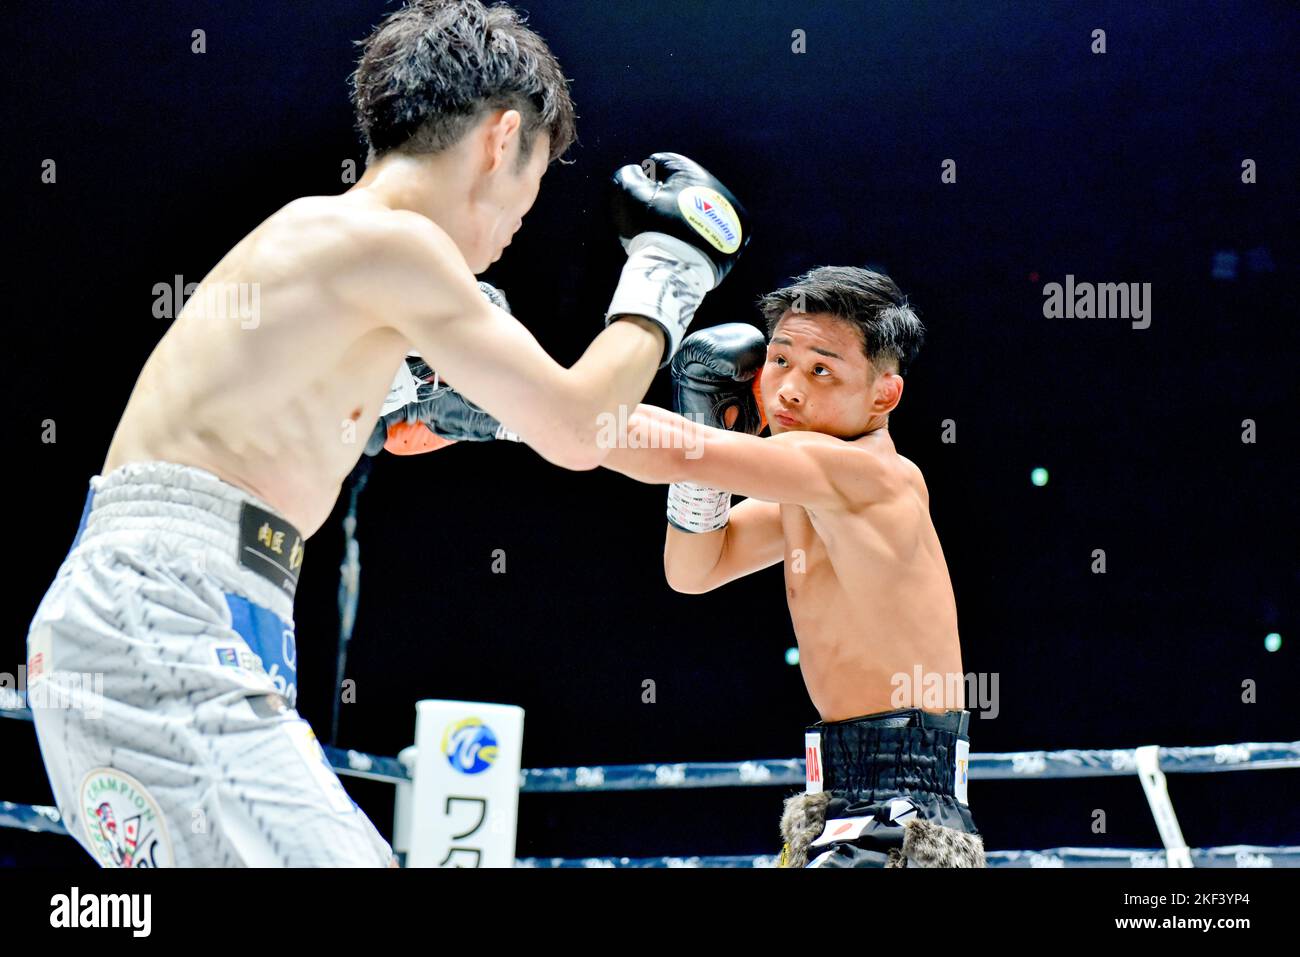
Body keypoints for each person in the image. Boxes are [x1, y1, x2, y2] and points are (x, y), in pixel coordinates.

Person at [24, 0, 748, 867]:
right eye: (536, 179)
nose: (522, 220)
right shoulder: (387, 247)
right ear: (500, 138)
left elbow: (591, 424)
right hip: (162, 616)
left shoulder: (356, 271)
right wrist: (667, 275)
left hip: (175, 619)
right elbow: (574, 425)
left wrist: (780, 467)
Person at [411, 266, 985, 867]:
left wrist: (512, 406)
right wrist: (703, 433)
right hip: (845, 799)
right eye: (780, 360)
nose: (788, 387)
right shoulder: (815, 497)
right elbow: (694, 569)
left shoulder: (871, 476)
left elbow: (680, 451)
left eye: (821, 370)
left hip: (899, 811)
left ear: (883, 395)